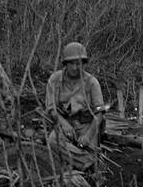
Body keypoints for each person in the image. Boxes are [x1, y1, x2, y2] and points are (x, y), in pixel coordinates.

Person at [45, 41, 107, 171]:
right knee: (52, 141)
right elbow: (51, 108)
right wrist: (63, 124)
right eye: (71, 63)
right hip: (63, 123)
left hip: (86, 125)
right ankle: (88, 164)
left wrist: (88, 135)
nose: (75, 67)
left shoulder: (91, 82)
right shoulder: (55, 80)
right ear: (65, 64)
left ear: (83, 64)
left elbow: (99, 113)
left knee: (86, 147)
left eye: (78, 63)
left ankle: (86, 161)